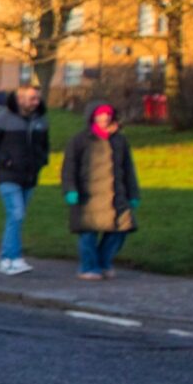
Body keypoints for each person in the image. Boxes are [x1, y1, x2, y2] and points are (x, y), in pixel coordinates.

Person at [0, 83, 50, 277]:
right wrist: (4, 159)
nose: (36, 102)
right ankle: (7, 259)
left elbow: (44, 146)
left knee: (17, 217)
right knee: (16, 214)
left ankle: (14, 259)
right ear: (20, 99)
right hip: (9, 176)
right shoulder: (3, 119)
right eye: (32, 98)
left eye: (37, 98)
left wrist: (42, 161)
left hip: (30, 176)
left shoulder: (40, 121)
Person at [63, 101, 140, 279]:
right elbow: (69, 168)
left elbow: (128, 169)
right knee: (88, 233)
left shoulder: (120, 140)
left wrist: (133, 194)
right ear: (92, 117)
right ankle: (88, 267)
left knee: (121, 230)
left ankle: (103, 262)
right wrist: (70, 189)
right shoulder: (80, 140)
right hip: (88, 195)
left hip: (117, 195)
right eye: (100, 114)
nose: (104, 118)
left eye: (107, 114)